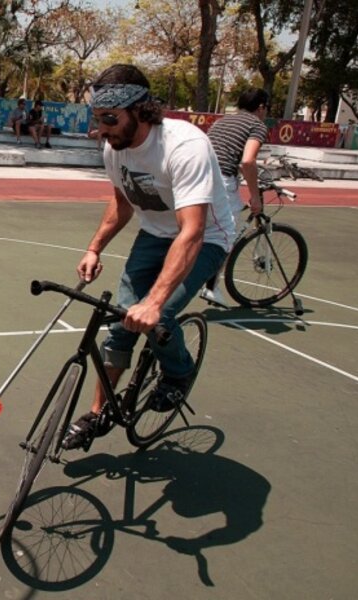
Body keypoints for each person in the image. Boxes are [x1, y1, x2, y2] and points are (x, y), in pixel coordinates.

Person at [62, 64, 235, 451]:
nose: (101, 130)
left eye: (109, 119)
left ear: (140, 110)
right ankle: (97, 413)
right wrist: (95, 247)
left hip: (206, 238)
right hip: (155, 234)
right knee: (123, 323)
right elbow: (122, 203)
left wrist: (155, 302)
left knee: (160, 315)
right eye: (98, 119)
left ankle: (178, 373)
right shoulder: (115, 149)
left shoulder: (184, 146)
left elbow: (191, 231)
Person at [199, 88, 270, 306]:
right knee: (226, 236)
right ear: (260, 107)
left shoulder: (223, 121)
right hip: (221, 180)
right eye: (267, 108)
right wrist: (255, 196)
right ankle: (210, 287)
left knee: (198, 230)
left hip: (198, 173)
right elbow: (247, 162)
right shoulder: (257, 125)